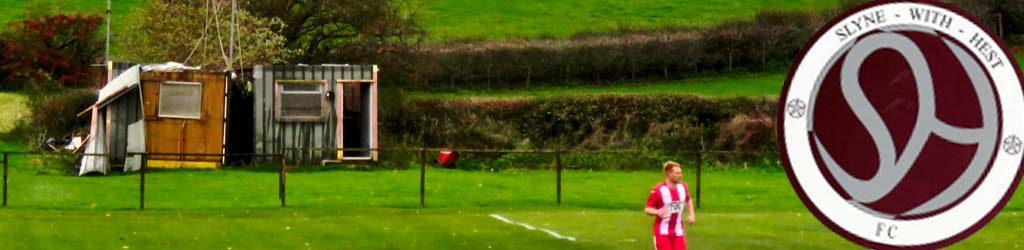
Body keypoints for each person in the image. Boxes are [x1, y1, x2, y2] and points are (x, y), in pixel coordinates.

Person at [645, 161, 695, 250]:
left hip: (678, 231)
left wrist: (691, 215)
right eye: (677, 173)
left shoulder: (683, 187)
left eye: (680, 173)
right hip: (662, 232)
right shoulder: (658, 190)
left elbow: (688, 199)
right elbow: (648, 209)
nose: (680, 175)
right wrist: (657, 212)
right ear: (668, 173)